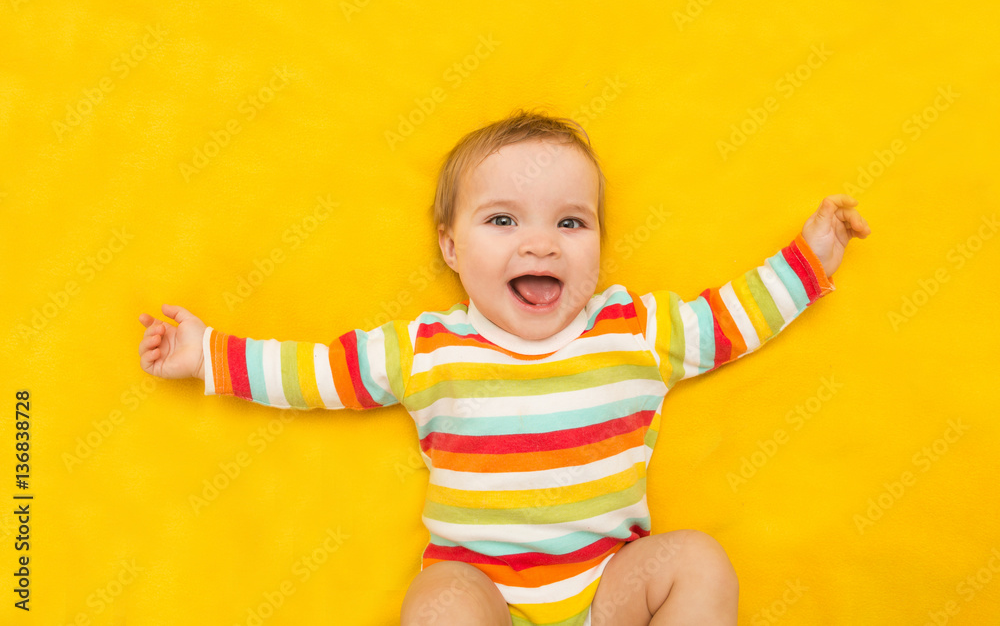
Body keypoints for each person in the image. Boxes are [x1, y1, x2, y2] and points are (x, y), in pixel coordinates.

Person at [138, 109, 871, 626]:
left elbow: (732, 319)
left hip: (608, 590)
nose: (541, 244)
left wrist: (807, 263)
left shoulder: (637, 330)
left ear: (599, 243)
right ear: (451, 246)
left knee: (701, 562)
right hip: (484, 589)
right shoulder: (426, 347)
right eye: (502, 219)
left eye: (570, 221)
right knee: (436, 602)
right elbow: (315, 371)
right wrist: (208, 353)